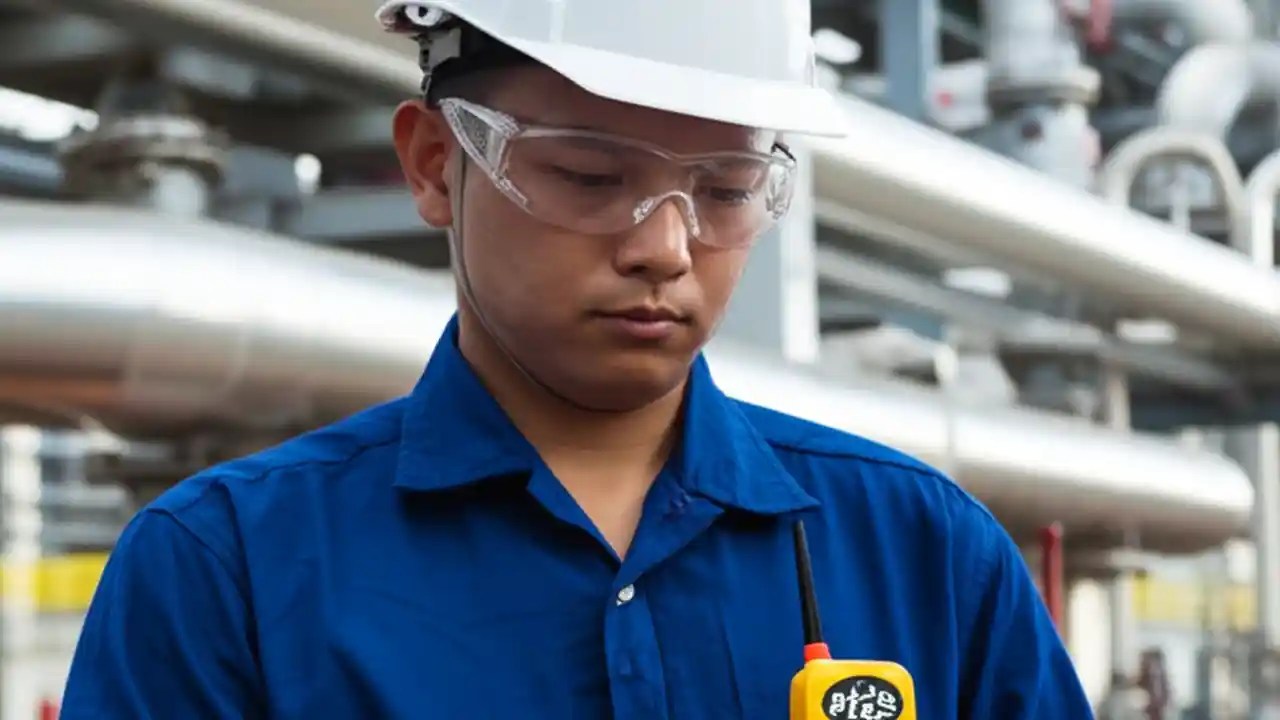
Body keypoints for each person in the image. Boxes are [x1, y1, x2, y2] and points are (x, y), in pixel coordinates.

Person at [60, 1, 1095, 718]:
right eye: (591, 176)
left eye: (725, 191)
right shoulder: (226, 574)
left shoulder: (924, 554)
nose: (664, 244)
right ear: (432, 164)